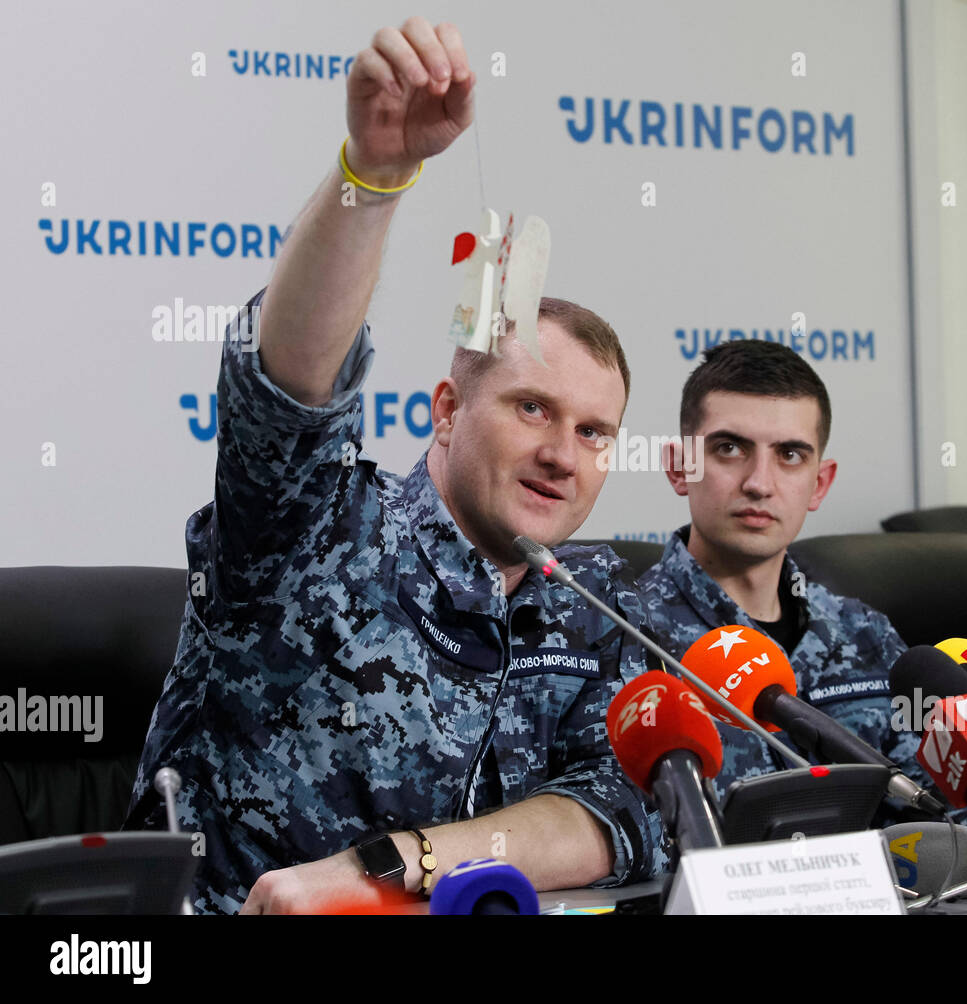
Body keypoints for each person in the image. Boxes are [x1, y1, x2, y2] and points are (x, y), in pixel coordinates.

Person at [125, 18, 658, 914]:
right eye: (532, 408)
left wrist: (388, 866)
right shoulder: (316, 529)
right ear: (447, 411)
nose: (563, 454)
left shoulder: (596, 604)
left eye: (595, 432)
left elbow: (616, 811)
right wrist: (371, 180)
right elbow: (285, 390)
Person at [634, 340, 928, 819]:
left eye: (790, 454)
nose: (759, 483)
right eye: (729, 449)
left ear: (820, 483)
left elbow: (931, 815)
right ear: (678, 466)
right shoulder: (623, 634)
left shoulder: (865, 633)